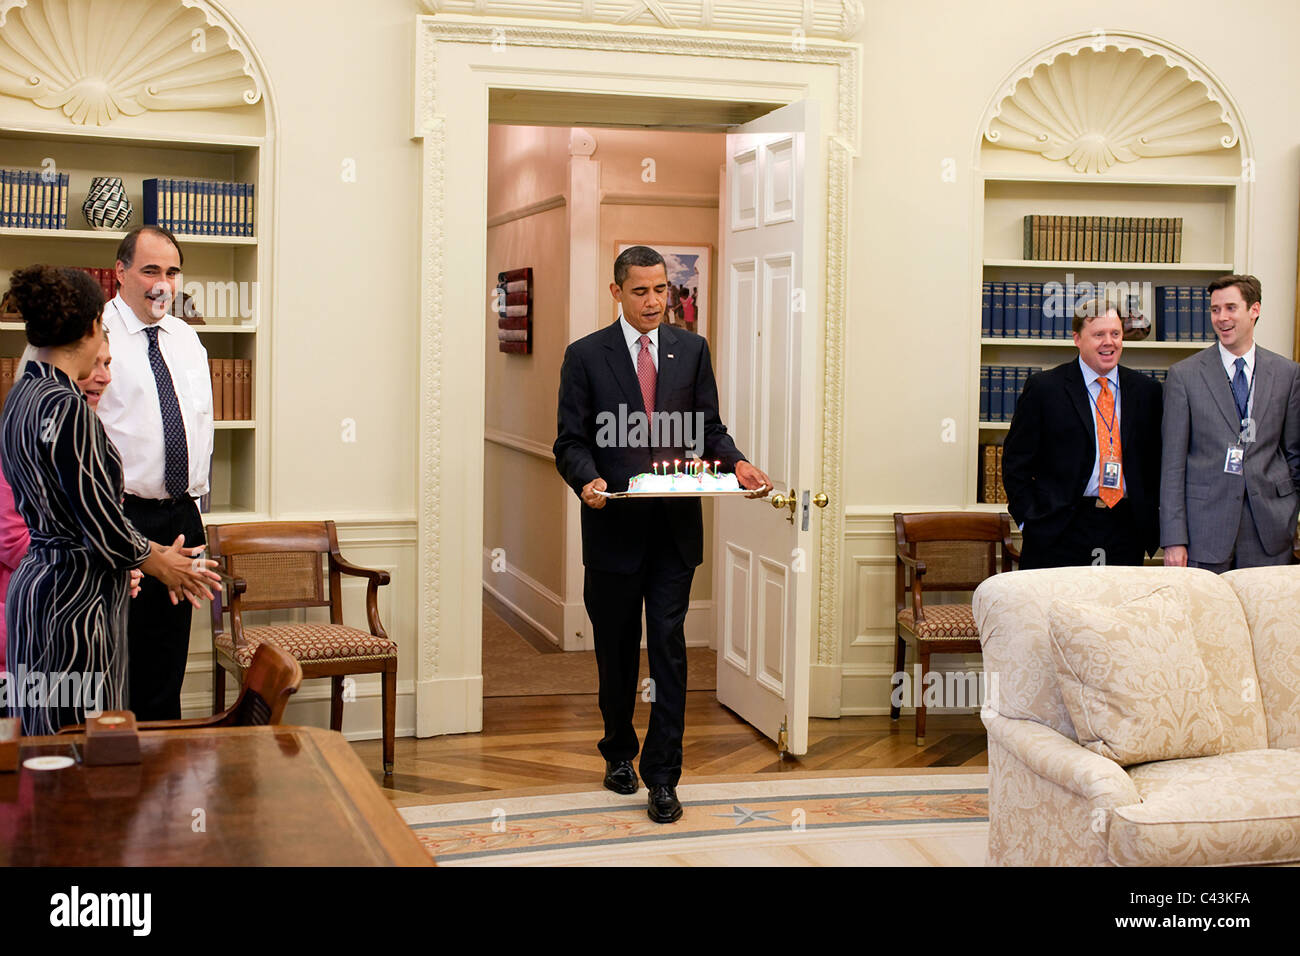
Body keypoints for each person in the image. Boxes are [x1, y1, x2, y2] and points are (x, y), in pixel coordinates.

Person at [554, 245, 771, 824]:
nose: (654, 302)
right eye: (641, 291)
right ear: (617, 292)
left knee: (669, 652)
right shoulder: (584, 356)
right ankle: (619, 752)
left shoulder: (691, 349)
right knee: (618, 654)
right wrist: (587, 478)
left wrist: (738, 464)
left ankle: (664, 776)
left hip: (675, 534)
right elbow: (569, 441)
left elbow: (710, 429)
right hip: (613, 531)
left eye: (661, 290)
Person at [0, 265, 220, 735]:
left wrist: (159, 557)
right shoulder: (67, 407)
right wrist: (162, 562)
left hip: (37, 591)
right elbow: (101, 524)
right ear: (88, 329)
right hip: (75, 602)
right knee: (84, 744)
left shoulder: (22, 396)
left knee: (43, 739)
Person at [97, 226, 215, 720]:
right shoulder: (94, 334)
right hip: (119, 518)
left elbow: (199, 426)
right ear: (121, 272)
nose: (162, 283)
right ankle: (117, 785)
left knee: (167, 667)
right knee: (116, 666)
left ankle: (163, 788)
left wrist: (195, 515)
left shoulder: (187, 339)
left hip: (181, 518)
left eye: (171, 272)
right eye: (150, 270)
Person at [0, 341, 134, 676]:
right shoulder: (26, 425)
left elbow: (103, 519)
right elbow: (13, 540)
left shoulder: (90, 430)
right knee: (55, 722)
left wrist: (121, 561)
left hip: (89, 607)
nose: (102, 377)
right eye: (91, 364)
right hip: (39, 611)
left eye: (108, 364)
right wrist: (107, 559)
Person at [1002, 296, 1164, 568]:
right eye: (1098, 334)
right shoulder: (1044, 388)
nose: (1108, 342)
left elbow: (1156, 462)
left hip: (1125, 527)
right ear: (1077, 339)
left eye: (1115, 333)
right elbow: (1015, 463)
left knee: (1116, 609)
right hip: (1059, 527)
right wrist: (1029, 519)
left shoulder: (1147, 391)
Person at [1161, 275, 1300, 571]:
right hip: (1204, 531)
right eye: (1215, 310)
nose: (1221, 318)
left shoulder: (1288, 374)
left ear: (1255, 310)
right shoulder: (1184, 376)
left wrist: (1291, 515)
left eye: (1230, 308)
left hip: (1271, 532)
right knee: (1206, 617)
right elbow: (1172, 465)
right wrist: (1174, 539)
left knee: (1266, 618)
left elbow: (1293, 455)